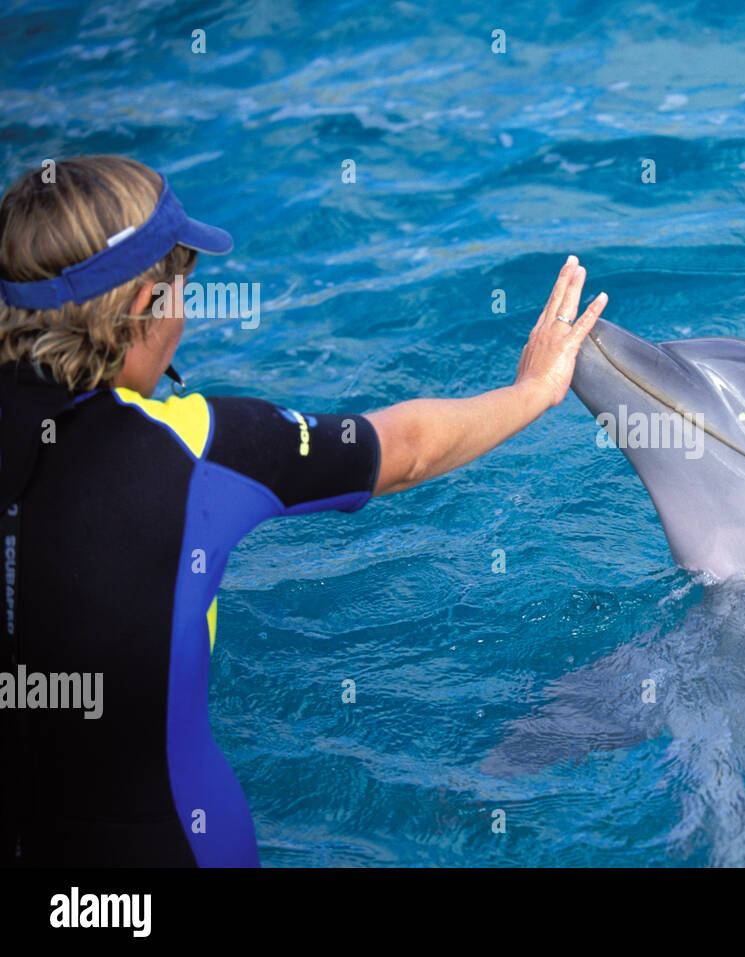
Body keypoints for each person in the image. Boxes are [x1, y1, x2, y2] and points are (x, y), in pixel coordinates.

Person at [0, 155, 607, 866]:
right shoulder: (190, 450)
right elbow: (404, 448)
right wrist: (534, 391)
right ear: (142, 308)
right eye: (181, 291)